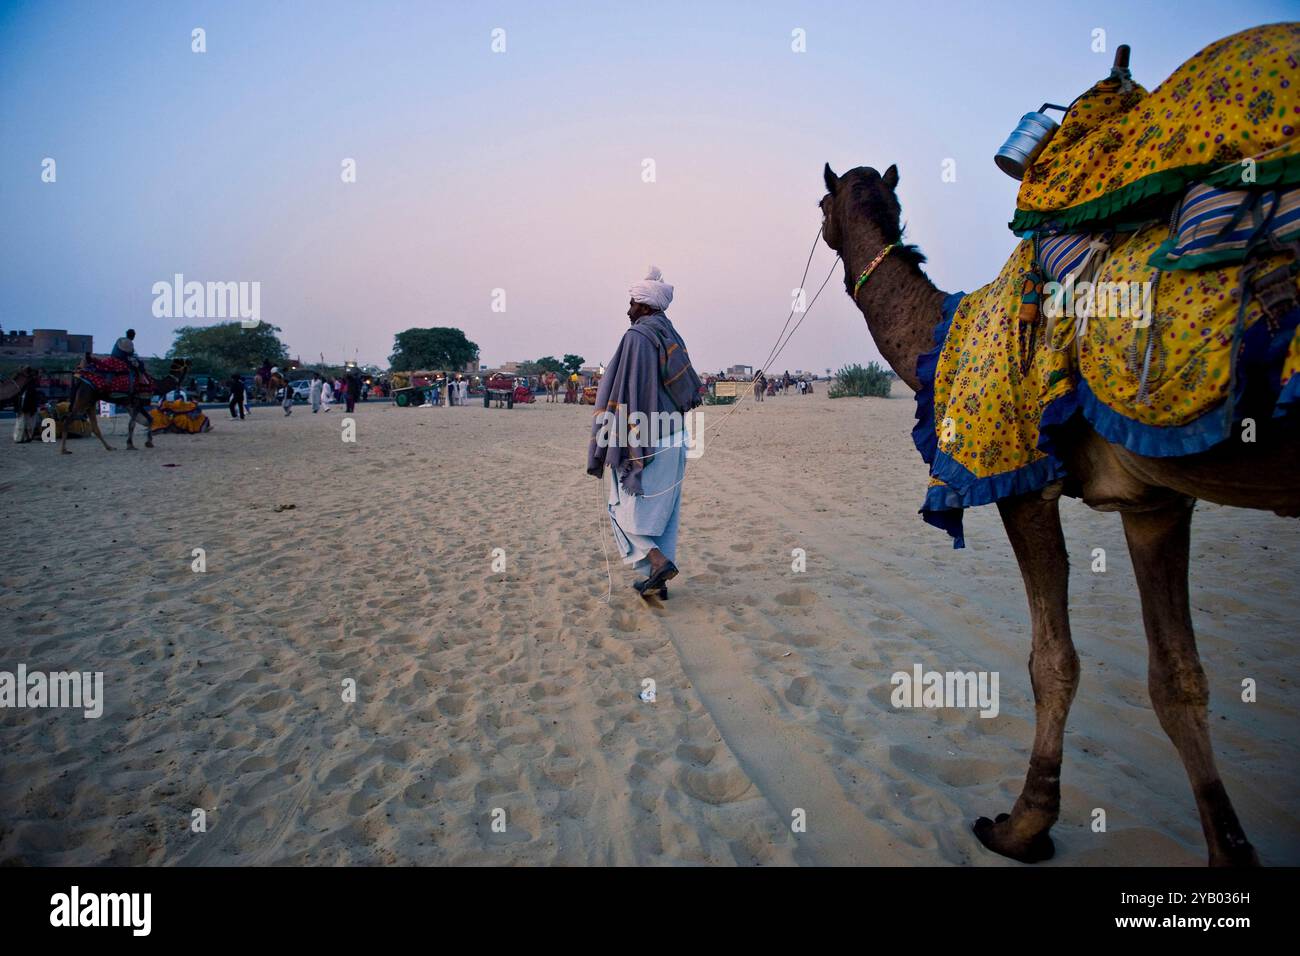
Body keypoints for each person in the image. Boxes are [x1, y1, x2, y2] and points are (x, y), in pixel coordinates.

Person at [587, 266, 702, 602]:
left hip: (648, 437)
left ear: (645, 306)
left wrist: (621, 441)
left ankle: (656, 561)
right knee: (665, 514)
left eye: (632, 302)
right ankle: (658, 581)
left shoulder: (637, 337)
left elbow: (628, 392)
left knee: (619, 507)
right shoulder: (670, 334)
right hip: (677, 436)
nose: (628, 309)